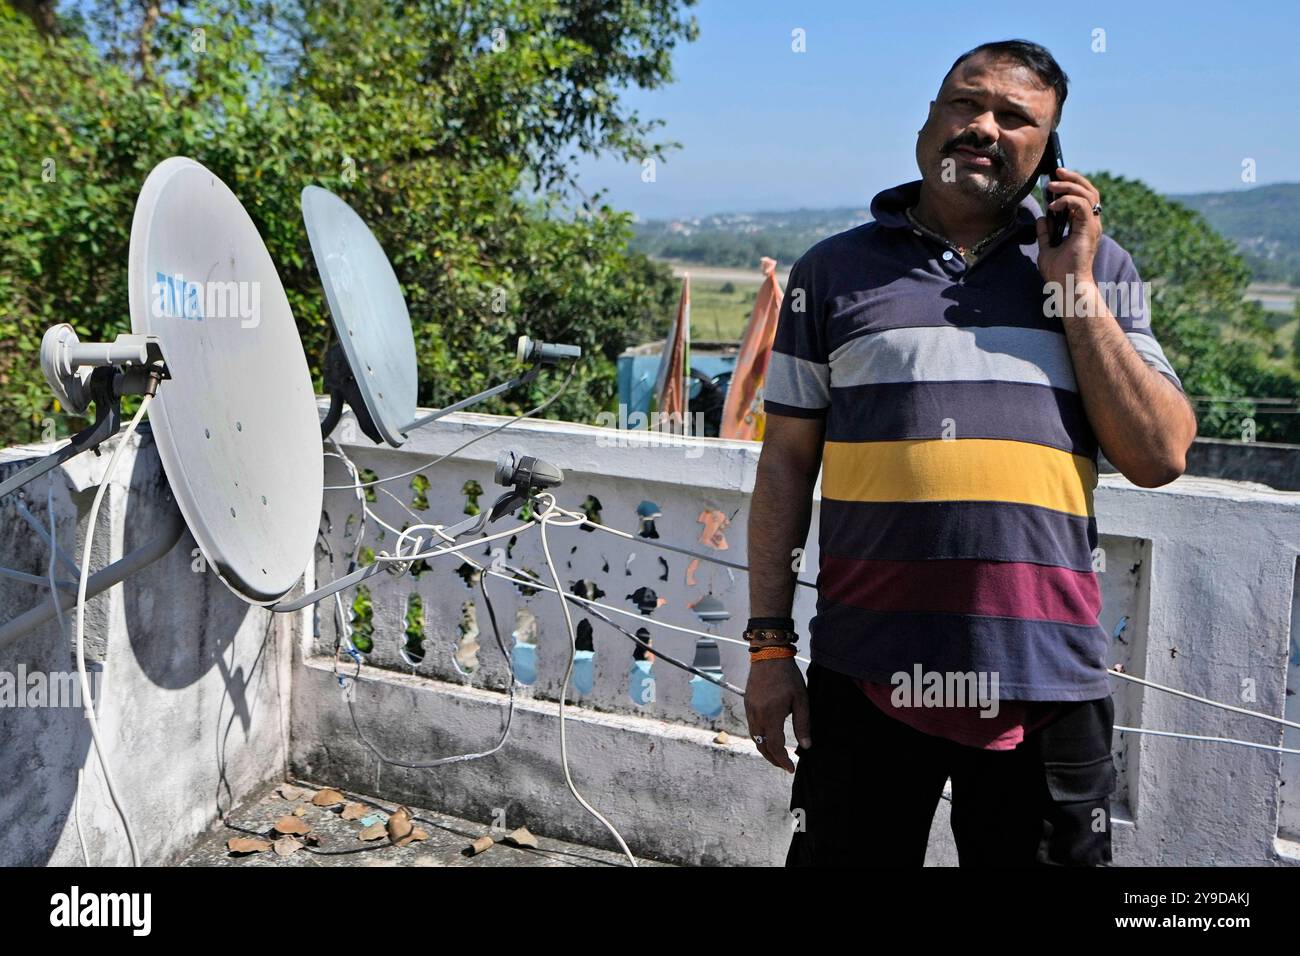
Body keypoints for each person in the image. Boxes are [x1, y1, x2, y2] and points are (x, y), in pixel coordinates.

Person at [743, 39, 1197, 866]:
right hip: (865, 672)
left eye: (1015, 118)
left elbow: (1161, 453)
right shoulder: (832, 273)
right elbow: (783, 467)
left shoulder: (1098, 270)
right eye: (966, 103)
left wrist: (1076, 287)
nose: (983, 127)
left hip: (1047, 677)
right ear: (928, 120)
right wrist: (771, 649)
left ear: (1049, 153)